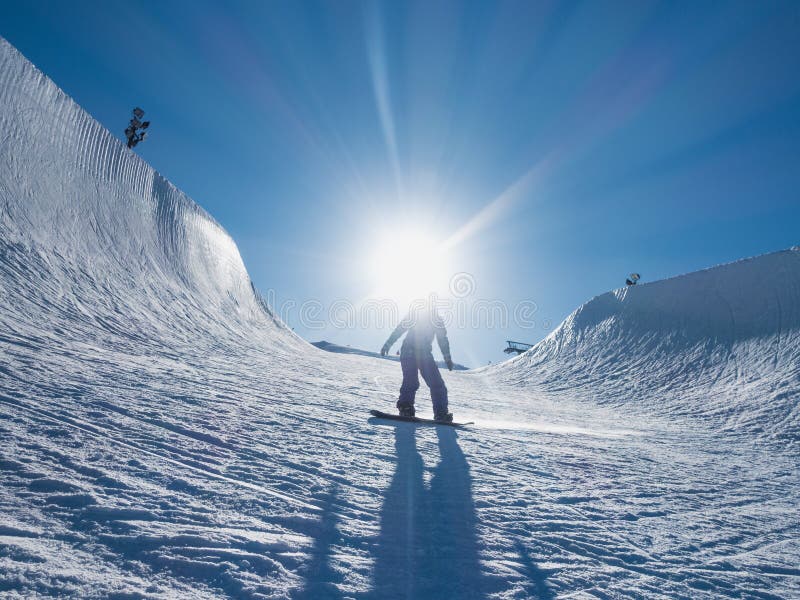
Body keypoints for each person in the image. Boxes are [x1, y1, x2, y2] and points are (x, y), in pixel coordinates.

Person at [380, 303, 454, 422]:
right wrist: (388, 344)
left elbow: (442, 339)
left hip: (425, 355)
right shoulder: (415, 315)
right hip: (408, 351)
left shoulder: (437, 321)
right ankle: (406, 407)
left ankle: (441, 413)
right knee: (411, 381)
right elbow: (400, 329)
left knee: (437, 383)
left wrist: (447, 358)